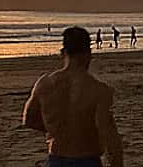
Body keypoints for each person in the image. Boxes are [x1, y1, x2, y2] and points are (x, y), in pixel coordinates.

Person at [24, 26, 123, 167]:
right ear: (88, 54)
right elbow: (108, 136)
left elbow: (29, 119)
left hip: (56, 158)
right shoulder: (99, 90)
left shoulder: (44, 84)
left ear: (63, 53)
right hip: (87, 159)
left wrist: (56, 130)